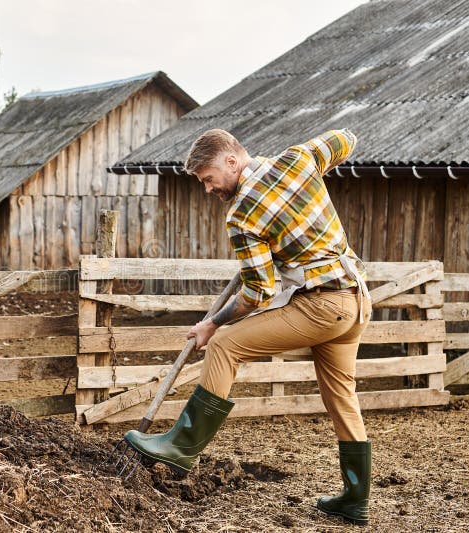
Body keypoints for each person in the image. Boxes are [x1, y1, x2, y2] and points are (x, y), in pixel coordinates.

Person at [123, 129, 373, 526]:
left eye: (208, 178)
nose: (208, 189)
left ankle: (183, 446)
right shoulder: (298, 159)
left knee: (225, 345)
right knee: (342, 396)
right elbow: (347, 137)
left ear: (232, 161)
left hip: (322, 305)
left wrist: (211, 323)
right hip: (355, 302)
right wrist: (308, 188)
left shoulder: (241, 215)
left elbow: (258, 292)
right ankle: (355, 498)